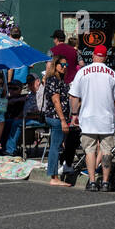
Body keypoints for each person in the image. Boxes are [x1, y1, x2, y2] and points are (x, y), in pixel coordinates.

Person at [68, 44, 115, 192]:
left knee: (89, 150)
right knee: (106, 151)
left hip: (88, 118)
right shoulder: (112, 74)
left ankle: (92, 181)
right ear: (105, 57)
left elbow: (74, 96)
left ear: (93, 55)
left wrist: (74, 114)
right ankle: (105, 182)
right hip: (106, 118)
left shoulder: (82, 72)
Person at [43, 56, 71, 185]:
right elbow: (56, 101)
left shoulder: (59, 80)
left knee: (57, 145)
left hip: (56, 117)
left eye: (66, 65)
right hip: (55, 117)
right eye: (62, 65)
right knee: (55, 146)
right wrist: (63, 120)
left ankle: (54, 174)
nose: (64, 67)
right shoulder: (54, 80)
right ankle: (54, 177)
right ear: (56, 65)